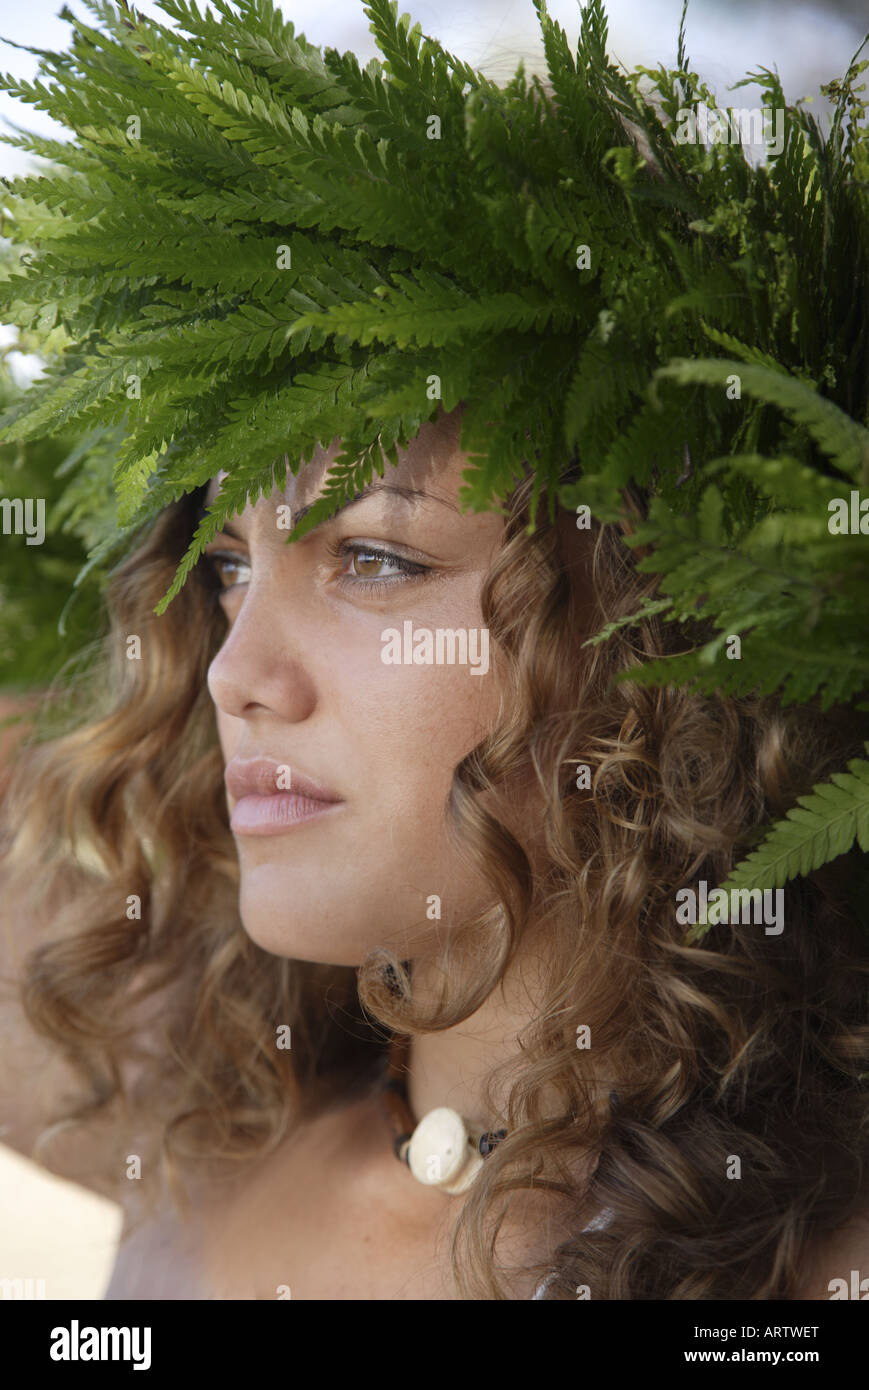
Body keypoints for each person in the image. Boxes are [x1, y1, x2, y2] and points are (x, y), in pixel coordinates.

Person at [1, 400, 867, 1300]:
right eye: (229, 568)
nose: (234, 673)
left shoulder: (815, 1269)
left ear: (666, 628)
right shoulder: (203, 1127)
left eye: (373, 560)